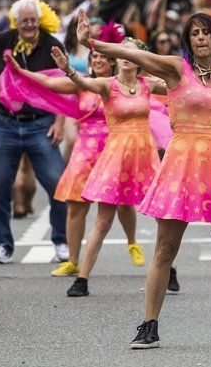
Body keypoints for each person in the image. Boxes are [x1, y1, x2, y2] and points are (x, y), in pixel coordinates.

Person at [74, 9, 211, 348]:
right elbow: (133, 54)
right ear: (188, 40)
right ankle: (149, 325)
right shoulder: (177, 69)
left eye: (206, 32)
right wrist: (93, 43)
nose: (201, 38)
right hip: (182, 164)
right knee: (165, 250)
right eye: (194, 33)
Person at [0, 36, 148, 278]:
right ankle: (73, 261)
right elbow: (49, 82)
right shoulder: (82, 84)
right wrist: (21, 72)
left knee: (123, 201)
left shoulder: (119, 84)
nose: (98, 59)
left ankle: (132, 242)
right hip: (86, 151)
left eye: (102, 56)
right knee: (76, 206)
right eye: (94, 57)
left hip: (115, 148)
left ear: (114, 61)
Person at [44, 38, 161, 296]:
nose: (127, 56)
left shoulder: (149, 84)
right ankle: (82, 279)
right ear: (116, 57)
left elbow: (180, 87)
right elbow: (82, 83)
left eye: (133, 52)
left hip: (145, 156)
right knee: (103, 220)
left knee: (164, 217)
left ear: (142, 58)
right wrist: (67, 68)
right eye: (123, 52)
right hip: (116, 155)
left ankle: (168, 270)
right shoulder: (107, 85)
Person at [0, 0, 69, 264]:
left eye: (34, 20)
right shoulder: (2, 41)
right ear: (16, 21)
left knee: (57, 184)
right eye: (24, 21)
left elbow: (64, 85)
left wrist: (59, 122)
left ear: (40, 20)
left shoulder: (53, 44)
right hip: (6, 123)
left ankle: (61, 241)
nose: (30, 25)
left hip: (41, 124)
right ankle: (2, 245)